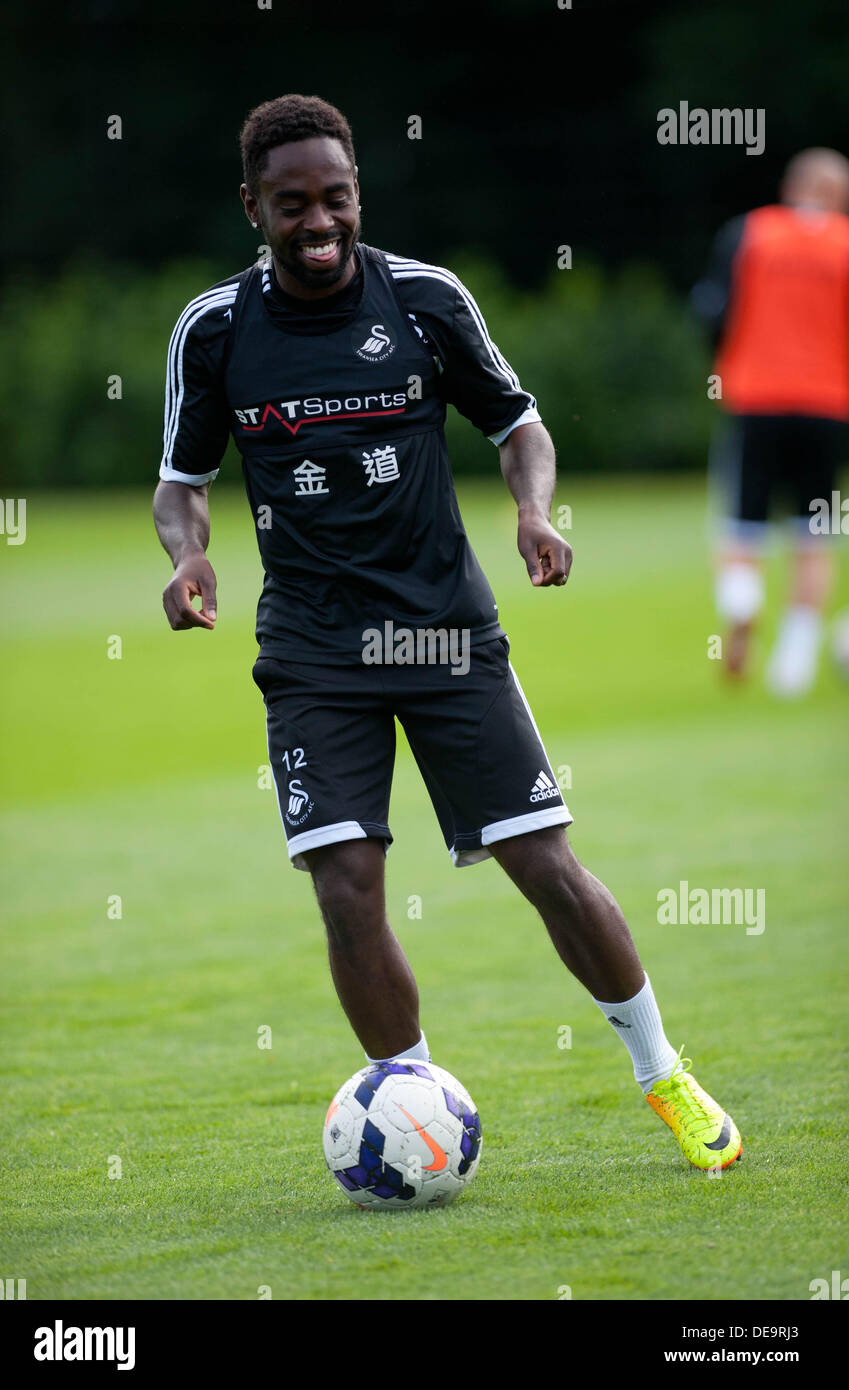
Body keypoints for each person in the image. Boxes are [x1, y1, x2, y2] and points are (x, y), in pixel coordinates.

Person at [153, 94, 741, 1178]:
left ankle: (662, 1071)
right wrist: (187, 557)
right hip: (312, 653)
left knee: (542, 860)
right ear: (254, 207)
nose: (318, 220)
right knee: (344, 885)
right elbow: (181, 483)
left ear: (358, 193)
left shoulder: (423, 300)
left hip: (441, 634)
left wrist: (532, 510)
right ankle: (411, 1104)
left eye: (336, 197)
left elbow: (517, 421)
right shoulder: (218, 328)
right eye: (293, 204)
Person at [692, 148, 849, 694]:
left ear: (792, 186)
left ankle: (743, 599)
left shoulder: (751, 232)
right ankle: (795, 663)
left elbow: (713, 310)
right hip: (828, 405)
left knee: (742, 524)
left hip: (755, 398)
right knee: (814, 533)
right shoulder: (846, 245)